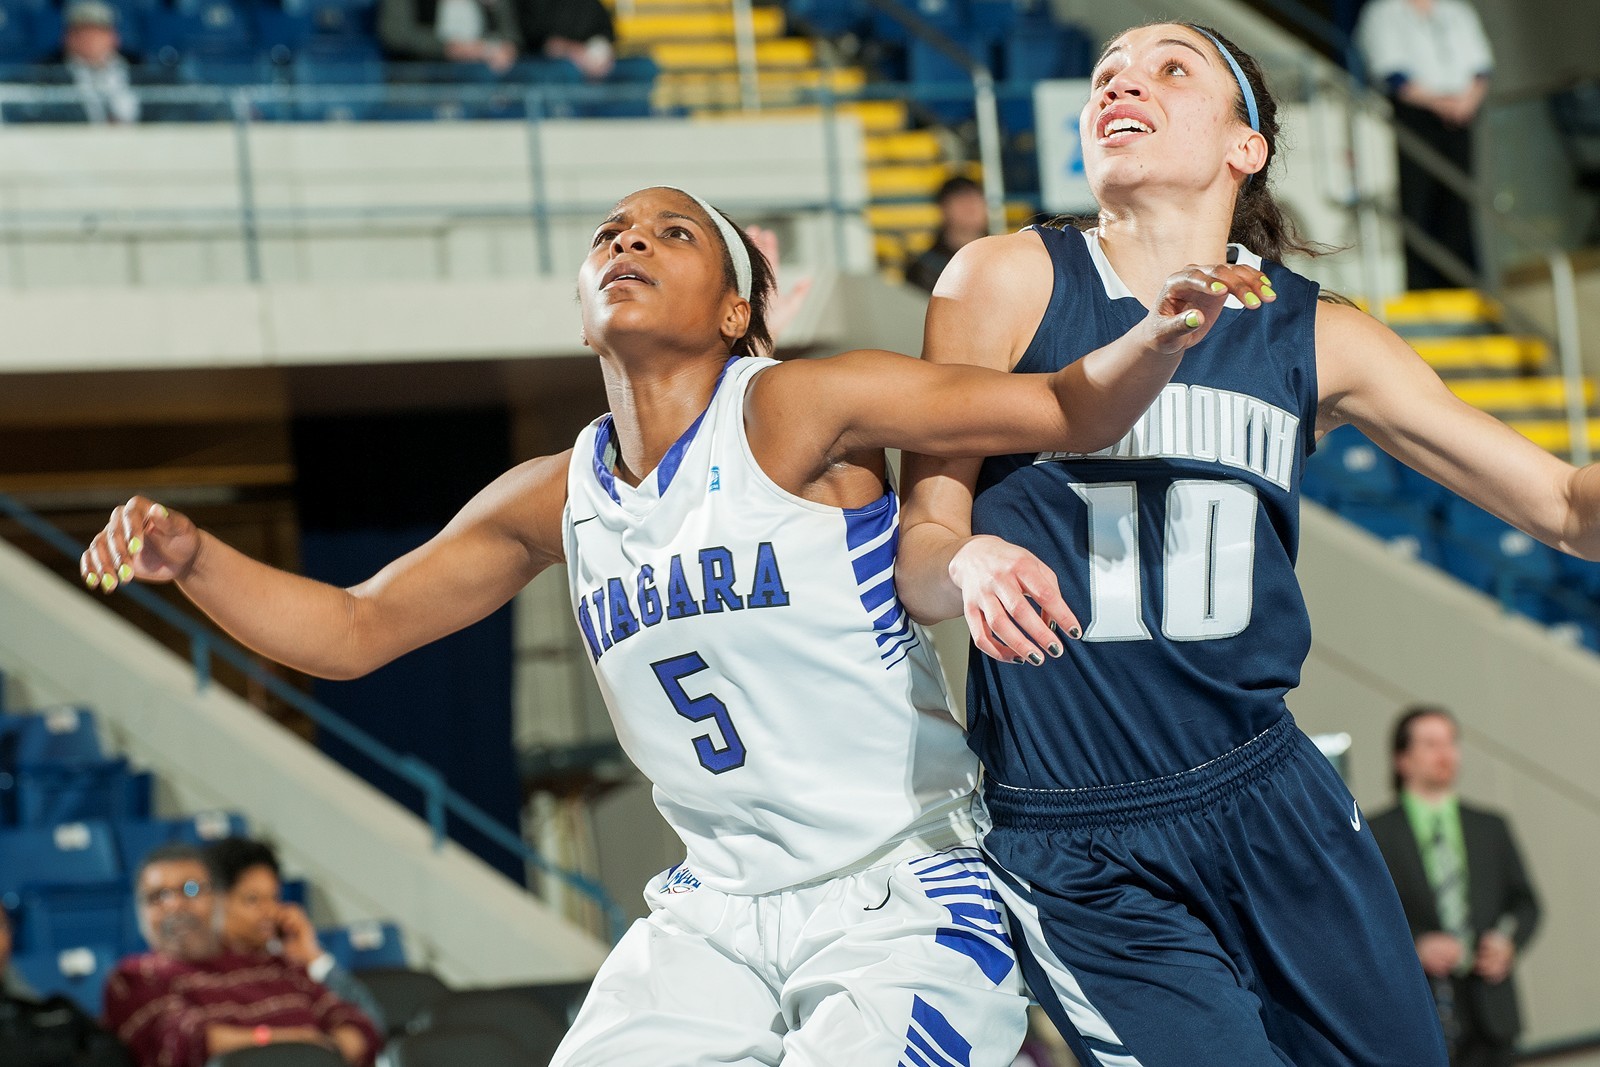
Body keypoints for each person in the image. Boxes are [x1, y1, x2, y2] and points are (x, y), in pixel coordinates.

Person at [81, 184, 1274, 1065]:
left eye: (670, 232)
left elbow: (1061, 403)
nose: (628, 243)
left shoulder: (796, 406)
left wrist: (1157, 331)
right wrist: (194, 557)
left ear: (737, 306)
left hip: (899, 888)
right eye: (609, 235)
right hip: (712, 904)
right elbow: (349, 630)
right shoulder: (556, 491)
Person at [898, 19, 1600, 1067]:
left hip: (1269, 793)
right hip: (1077, 832)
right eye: (1106, 73)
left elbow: (1563, 508)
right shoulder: (1003, 281)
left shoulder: (1318, 334)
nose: (1120, 84)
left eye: (1169, 69)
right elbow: (921, 547)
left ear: (1246, 145)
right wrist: (965, 558)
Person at [103, 844, 381, 1067]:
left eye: (190, 889)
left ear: (217, 899)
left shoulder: (275, 965)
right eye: (156, 896)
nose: (174, 904)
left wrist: (326, 1054)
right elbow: (189, 1045)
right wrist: (294, 1042)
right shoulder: (137, 976)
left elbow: (358, 1025)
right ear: (139, 914)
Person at [1370, 705, 1541, 1067]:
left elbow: (1526, 903)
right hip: (1422, 1009)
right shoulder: (1374, 834)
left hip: (1493, 1011)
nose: (1445, 754)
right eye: (1431, 744)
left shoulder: (1490, 827)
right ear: (1402, 759)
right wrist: (1415, 945)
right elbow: (1367, 916)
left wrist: (1507, 942)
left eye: (1451, 742)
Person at [1356, 0, 1494, 290]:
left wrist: (1465, 102)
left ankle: (1464, 283)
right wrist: (1438, 102)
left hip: (1460, 118)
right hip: (1414, 117)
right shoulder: (1383, 12)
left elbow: (1480, 67)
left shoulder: (1457, 11)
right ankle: (1422, 285)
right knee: (1418, 200)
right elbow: (1391, 72)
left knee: (1459, 201)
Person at [204, 837, 388, 1035]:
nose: (269, 911)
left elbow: (373, 1025)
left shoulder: (288, 966)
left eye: (273, 898)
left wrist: (313, 957)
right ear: (216, 902)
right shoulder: (200, 975)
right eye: (253, 900)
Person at [905, 176, 990, 294]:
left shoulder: (1003, 257)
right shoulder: (925, 268)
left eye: (976, 199)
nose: (971, 207)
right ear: (944, 209)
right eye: (961, 201)